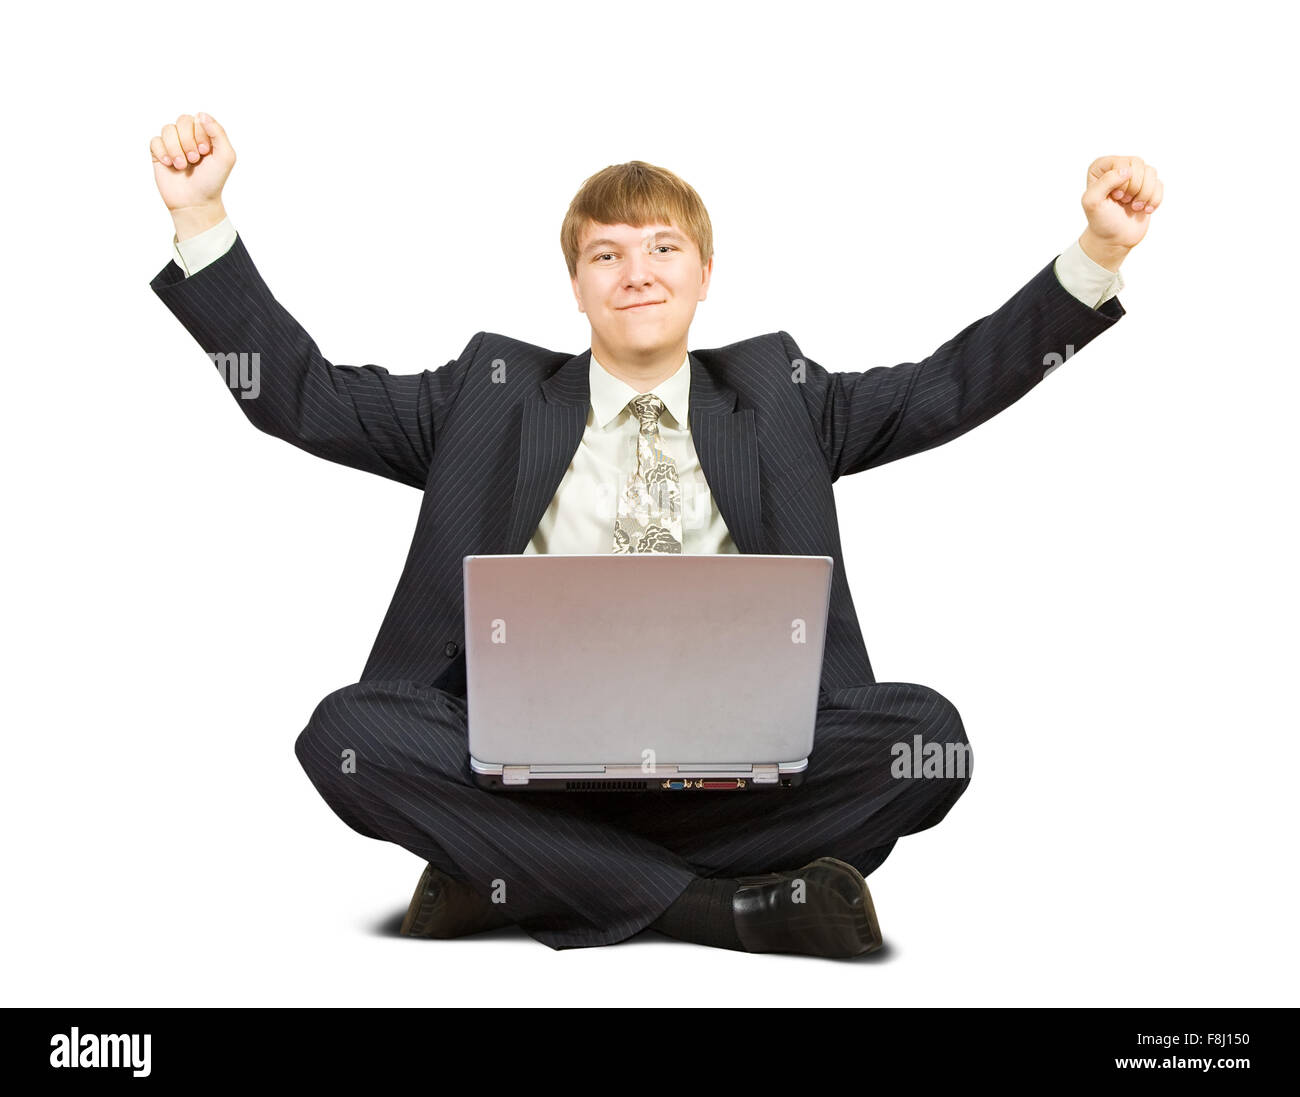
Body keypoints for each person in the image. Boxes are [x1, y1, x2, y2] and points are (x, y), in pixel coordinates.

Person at [148, 111, 1160, 957]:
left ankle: (515, 874)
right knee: (347, 735)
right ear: (576, 285)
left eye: (662, 248)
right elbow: (306, 398)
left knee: (925, 741)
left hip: (735, 775)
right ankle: (717, 906)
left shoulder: (782, 395)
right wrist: (201, 216)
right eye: (607, 254)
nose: (636, 272)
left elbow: (950, 387)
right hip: (519, 769)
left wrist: (1098, 254)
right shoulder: (485, 396)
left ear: (705, 272)